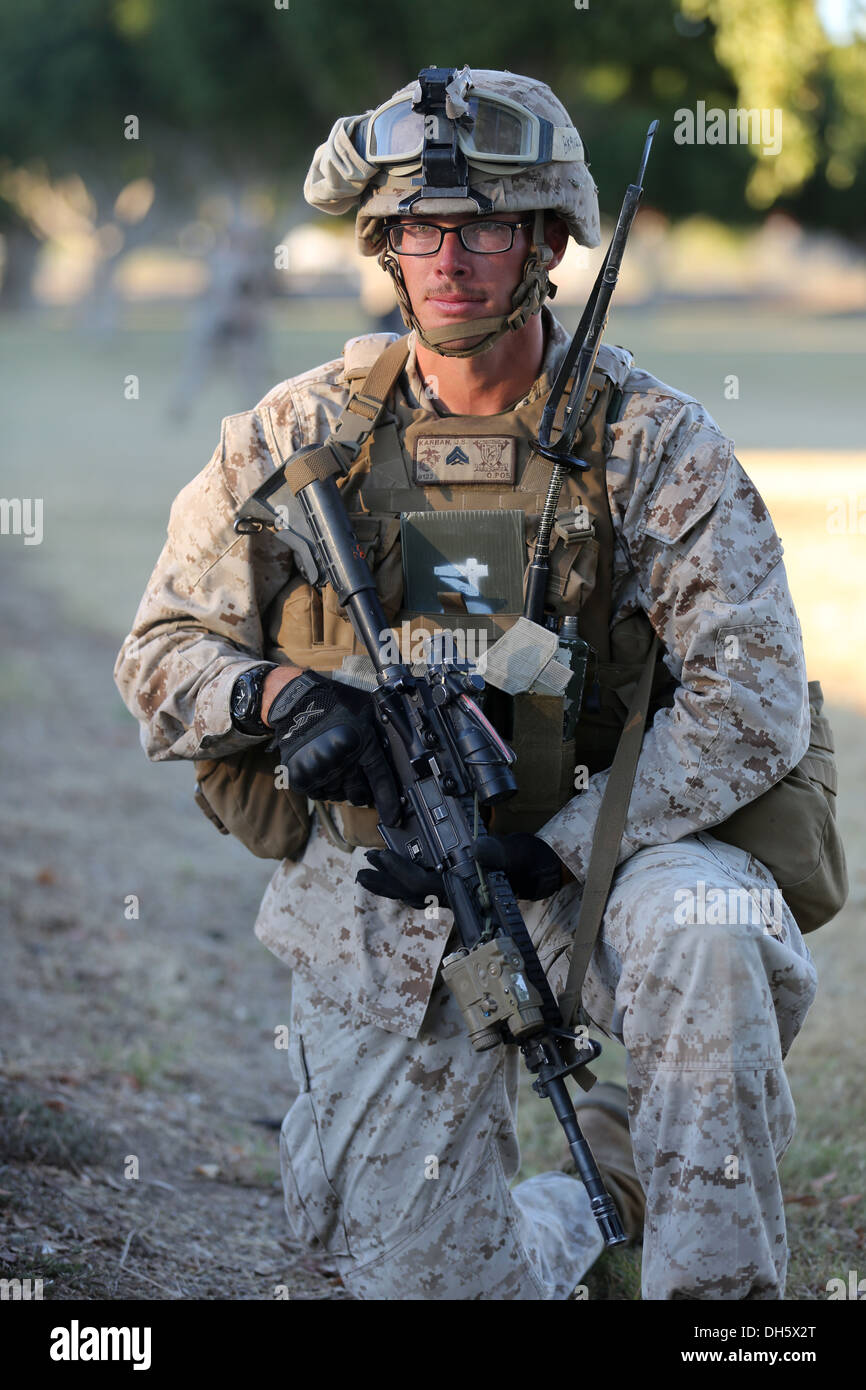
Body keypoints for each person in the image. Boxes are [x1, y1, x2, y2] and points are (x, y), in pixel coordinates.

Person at [114, 66, 818, 1300]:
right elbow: (159, 651)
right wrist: (281, 701)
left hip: (602, 870)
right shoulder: (295, 436)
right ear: (383, 245)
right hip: (388, 893)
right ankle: (599, 1191)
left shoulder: (651, 443)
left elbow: (751, 701)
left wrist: (559, 845)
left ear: (546, 242)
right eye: (419, 228)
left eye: (485, 228)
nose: (449, 259)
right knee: (427, 1284)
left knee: (708, 928)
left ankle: (721, 1311)